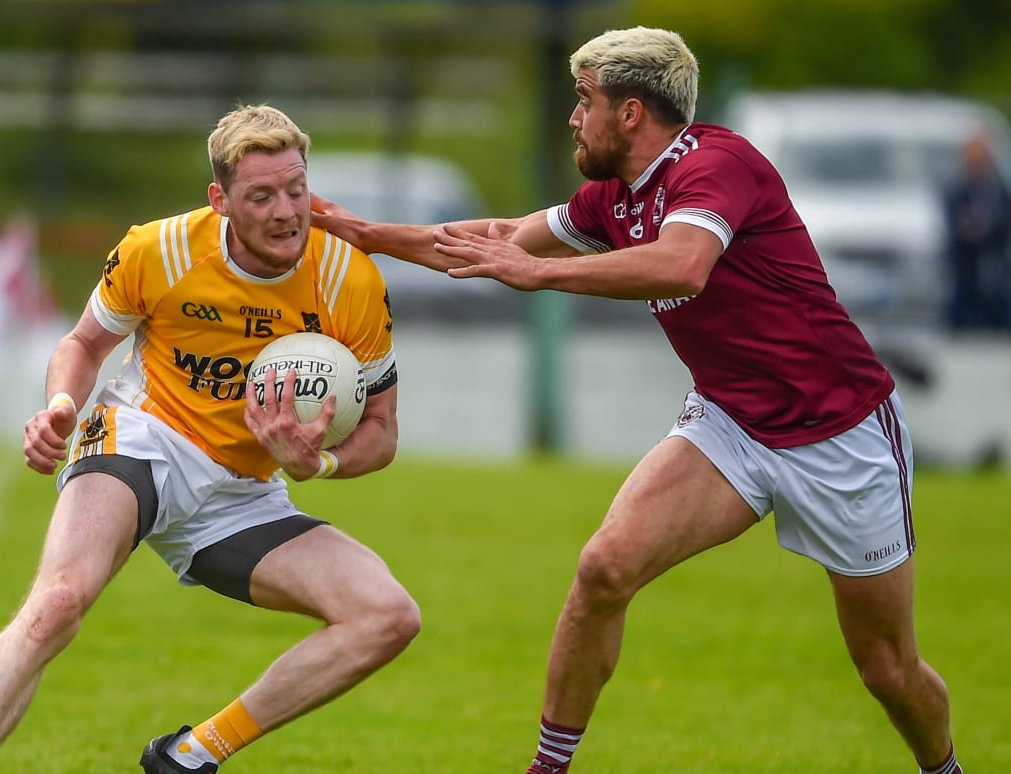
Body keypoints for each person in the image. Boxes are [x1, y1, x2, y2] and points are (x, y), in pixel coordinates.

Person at [312, 26, 963, 774]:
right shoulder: (611, 200)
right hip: (733, 423)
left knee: (886, 669)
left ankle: (943, 769)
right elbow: (494, 238)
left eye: (583, 100)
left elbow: (684, 264)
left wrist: (539, 277)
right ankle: (547, 769)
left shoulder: (719, 163)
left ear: (628, 112)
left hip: (841, 433)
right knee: (604, 567)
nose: (571, 118)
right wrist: (359, 232)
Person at [0, 103, 416, 774]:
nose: (285, 211)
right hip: (144, 436)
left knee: (388, 615)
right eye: (262, 195)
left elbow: (383, 432)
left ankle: (190, 755)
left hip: (243, 491)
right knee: (62, 599)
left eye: (296, 189)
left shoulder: (348, 280)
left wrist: (320, 461)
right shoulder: (158, 249)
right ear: (220, 200)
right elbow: (83, 343)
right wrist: (63, 406)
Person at [943, 130, 1011, 333]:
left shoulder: (1005, 191)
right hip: (966, 272)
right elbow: (952, 223)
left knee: (1006, 322)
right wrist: (969, 229)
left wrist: (988, 227)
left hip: (999, 270)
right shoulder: (956, 192)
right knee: (961, 322)